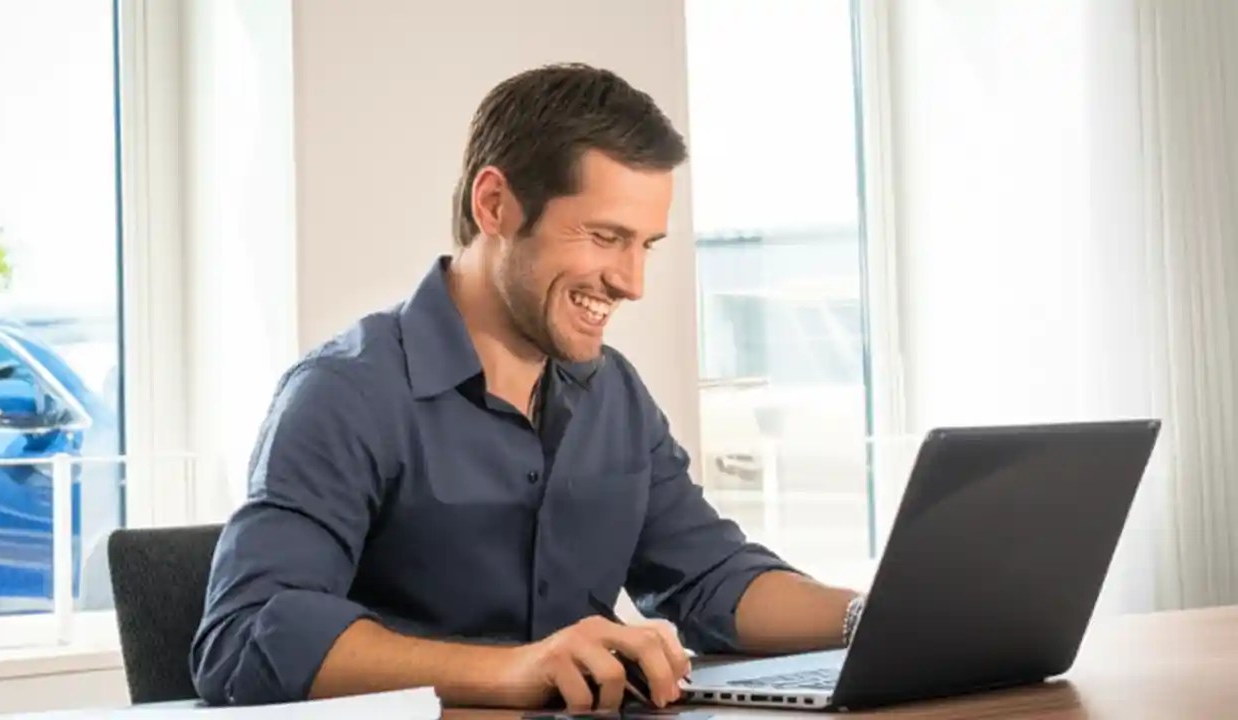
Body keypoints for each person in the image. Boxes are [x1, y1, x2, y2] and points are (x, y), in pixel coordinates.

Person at [190, 63, 862, 713]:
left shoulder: (614, 395)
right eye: (605, 237)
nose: (632, 282)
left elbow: (714, 580)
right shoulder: (344, 394)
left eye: (645, 245)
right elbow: (243, 641)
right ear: (495, 205)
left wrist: (874, 615)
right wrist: (509, 670)